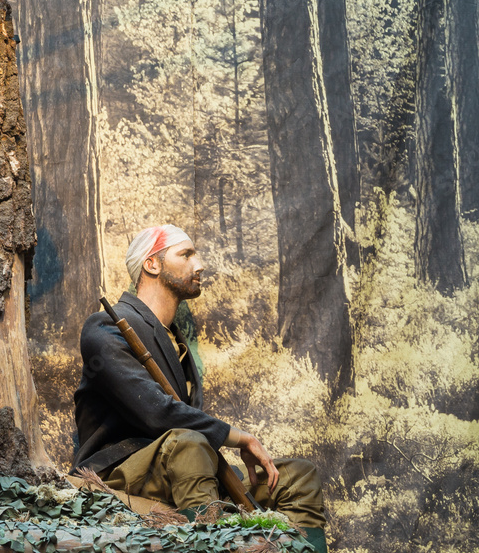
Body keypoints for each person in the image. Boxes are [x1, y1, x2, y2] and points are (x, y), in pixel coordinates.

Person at [73, 224, 329, 552]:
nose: (200, 264)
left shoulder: (176, 339)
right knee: (190, 445)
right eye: (186, 254)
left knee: (298, 476)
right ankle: (210, 540)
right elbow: (155, 412)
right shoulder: (107, 324)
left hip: (185, 464)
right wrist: (239, 437)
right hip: (119, 469)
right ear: (152, 264)